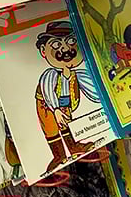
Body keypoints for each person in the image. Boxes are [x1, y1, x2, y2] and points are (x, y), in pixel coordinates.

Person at [35, 21, 99, 172]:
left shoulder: (77, 74)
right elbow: (47, 91)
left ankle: (73, 146)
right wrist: (55, 110)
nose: (65, 49)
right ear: (44, 50)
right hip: (47, 106)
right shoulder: (49, 75)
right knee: (51, 129)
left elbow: (91, 90)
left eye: (71, 41)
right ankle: (59, 155)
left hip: (65, 103)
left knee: (66, 124)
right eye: (57, 44)